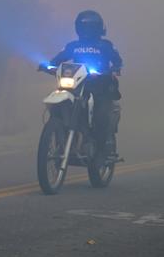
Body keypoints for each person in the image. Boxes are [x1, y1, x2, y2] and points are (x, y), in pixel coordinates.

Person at [47, 10, 123, 155]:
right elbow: (58, 59)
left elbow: (118, 61)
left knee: (101, 115)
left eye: (90, 27)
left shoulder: (106, 45)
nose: (87, 30)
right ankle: (61, 138)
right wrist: (49, 66)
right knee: (59, 105)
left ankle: (100, 152)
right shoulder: (72, 46)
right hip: (77, 85)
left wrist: (115, 69)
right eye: (84, 27)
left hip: (101, 86)